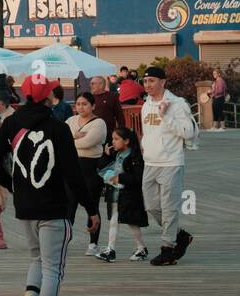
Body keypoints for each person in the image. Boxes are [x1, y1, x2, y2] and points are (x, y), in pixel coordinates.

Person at [0, 74, 100, 296]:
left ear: (25, 95)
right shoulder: (58, 128)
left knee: (37, 258)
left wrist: (13, 186)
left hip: (25, 207)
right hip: (53, 206)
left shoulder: (11, 123)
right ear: (48, 97)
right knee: (53, 269)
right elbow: (74, 174)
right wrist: (91, 208)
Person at [139, 66, 197, 266]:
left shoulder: (176, 104)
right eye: (145, 81)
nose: (148, 85)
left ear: (163, 82)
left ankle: (168, 249)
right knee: (152, 206)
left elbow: (188, 132)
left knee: (169, 208)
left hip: (171, 162)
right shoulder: (145, 104)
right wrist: (144, 148)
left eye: (152, 81)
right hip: (150, 163)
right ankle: (179, 235)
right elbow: (147, 133)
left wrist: (167, 116)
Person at [97, 126, 149, 262]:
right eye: (112, 139)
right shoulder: (117, 154)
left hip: (128, 195)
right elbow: (102, 167)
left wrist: (121, 178)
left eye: (116, 139)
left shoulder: (134, 157)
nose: (112, 142)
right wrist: (106, 155)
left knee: (131, 222)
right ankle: (111, 249)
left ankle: (140, 248)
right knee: (114, 221)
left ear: (126, 141)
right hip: (114, 193)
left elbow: (138, 178)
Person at [66, 93, 108, 256]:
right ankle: (65, 240)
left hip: (91, 167)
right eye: (78, 104)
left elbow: (88, 142)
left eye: (85, 104)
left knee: (92, 206)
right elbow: (61, 139)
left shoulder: (99, 123)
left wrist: (71, 139)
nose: (81, 107)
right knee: (69, 206)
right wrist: (73, 138)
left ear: (93, 106)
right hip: (71, 166)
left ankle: (93, 243)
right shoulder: (70, 120)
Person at [89, 74, 122, 146]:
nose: (90, 85)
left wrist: (121, 131)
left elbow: (119, 114)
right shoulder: (89, 97)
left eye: (92, 83)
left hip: (108, 133)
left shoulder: (112, 96)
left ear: (101, 84)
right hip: (91, 133)